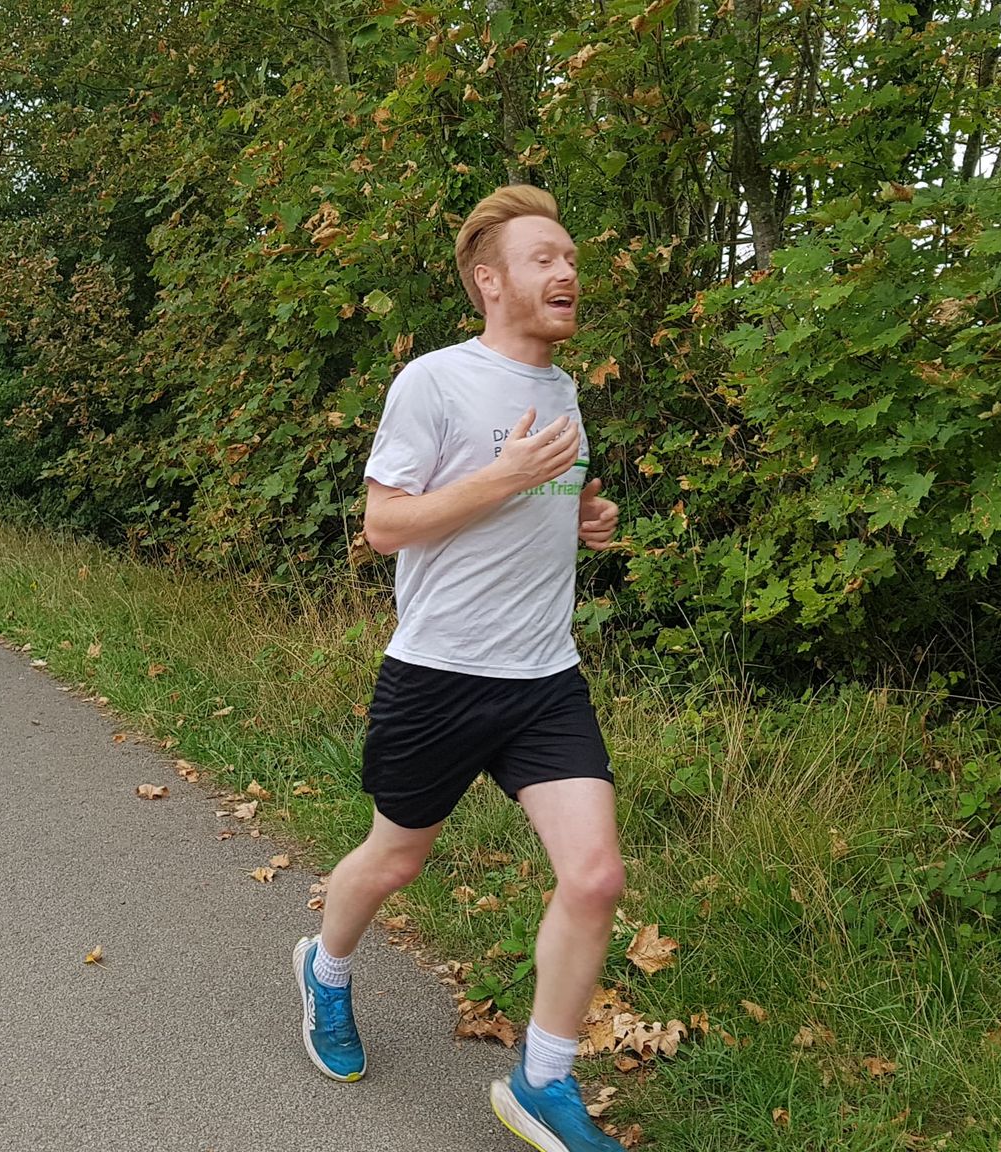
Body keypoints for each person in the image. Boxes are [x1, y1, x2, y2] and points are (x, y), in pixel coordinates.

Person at [293, 185, 626, 1152]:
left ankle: (543, 1081)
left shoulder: (563, 393)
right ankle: (327, 967)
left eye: (570, 256)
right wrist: (506, 480)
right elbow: (384, 525)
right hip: (438, 675)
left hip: (544, 678)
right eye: (542, 258)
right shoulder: (433, 382)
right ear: (489, 282)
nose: (566, 272)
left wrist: (582, 517)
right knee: (397, 857)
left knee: (596, 876)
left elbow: (542, 511)